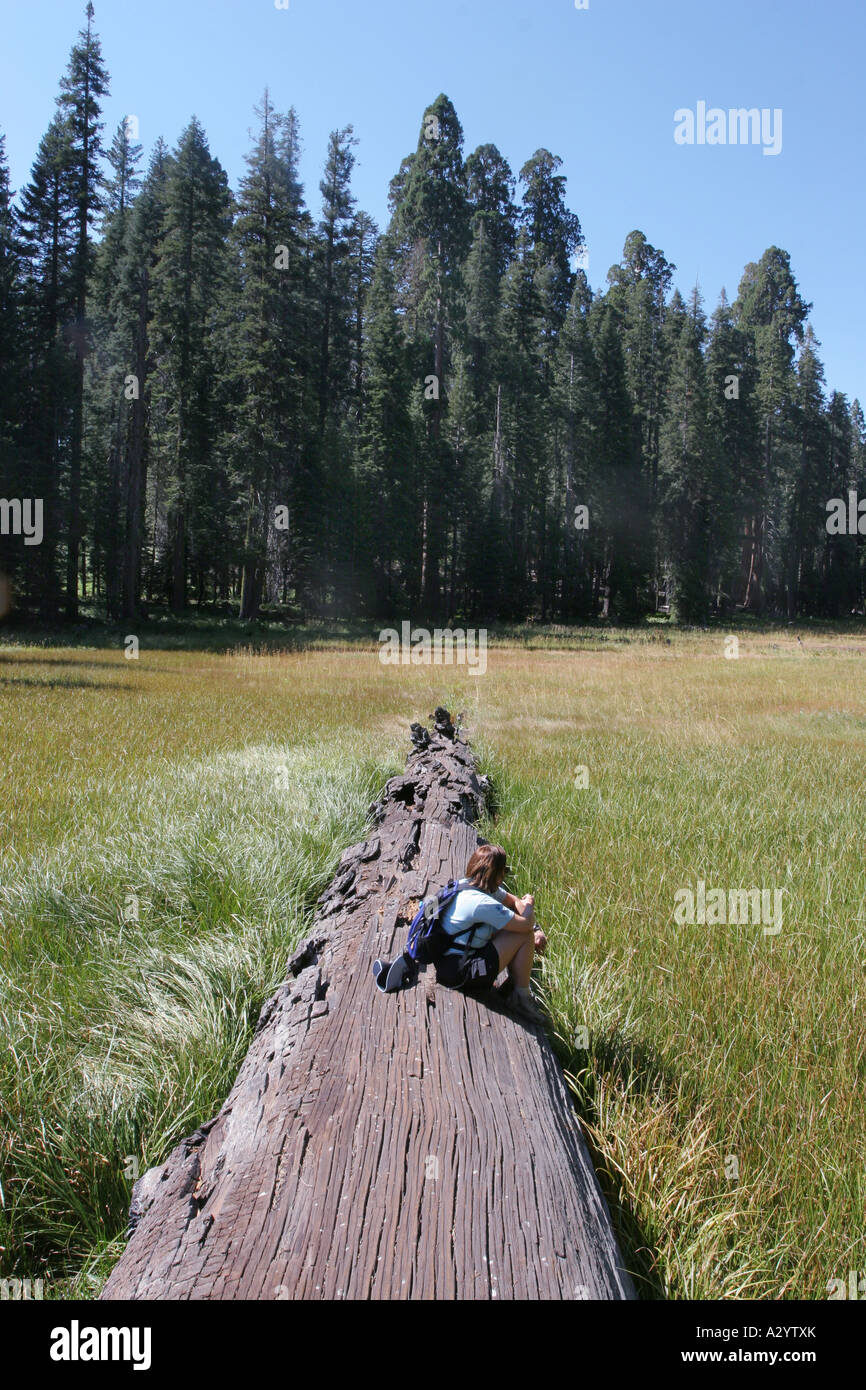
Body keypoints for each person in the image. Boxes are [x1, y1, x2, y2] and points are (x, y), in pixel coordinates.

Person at [434, 844, 548, 1022]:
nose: (504, 877)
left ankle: (514, 986)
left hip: (449, 964)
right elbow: (525, 924)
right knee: (523, 935)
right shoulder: (482, 903)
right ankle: (520, 999)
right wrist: (530, 907)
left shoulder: (469, 886)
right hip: (461, 974)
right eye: (504, 871)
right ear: (497, 874)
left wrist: (531, 922)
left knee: (515, 928)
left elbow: (514, 901)